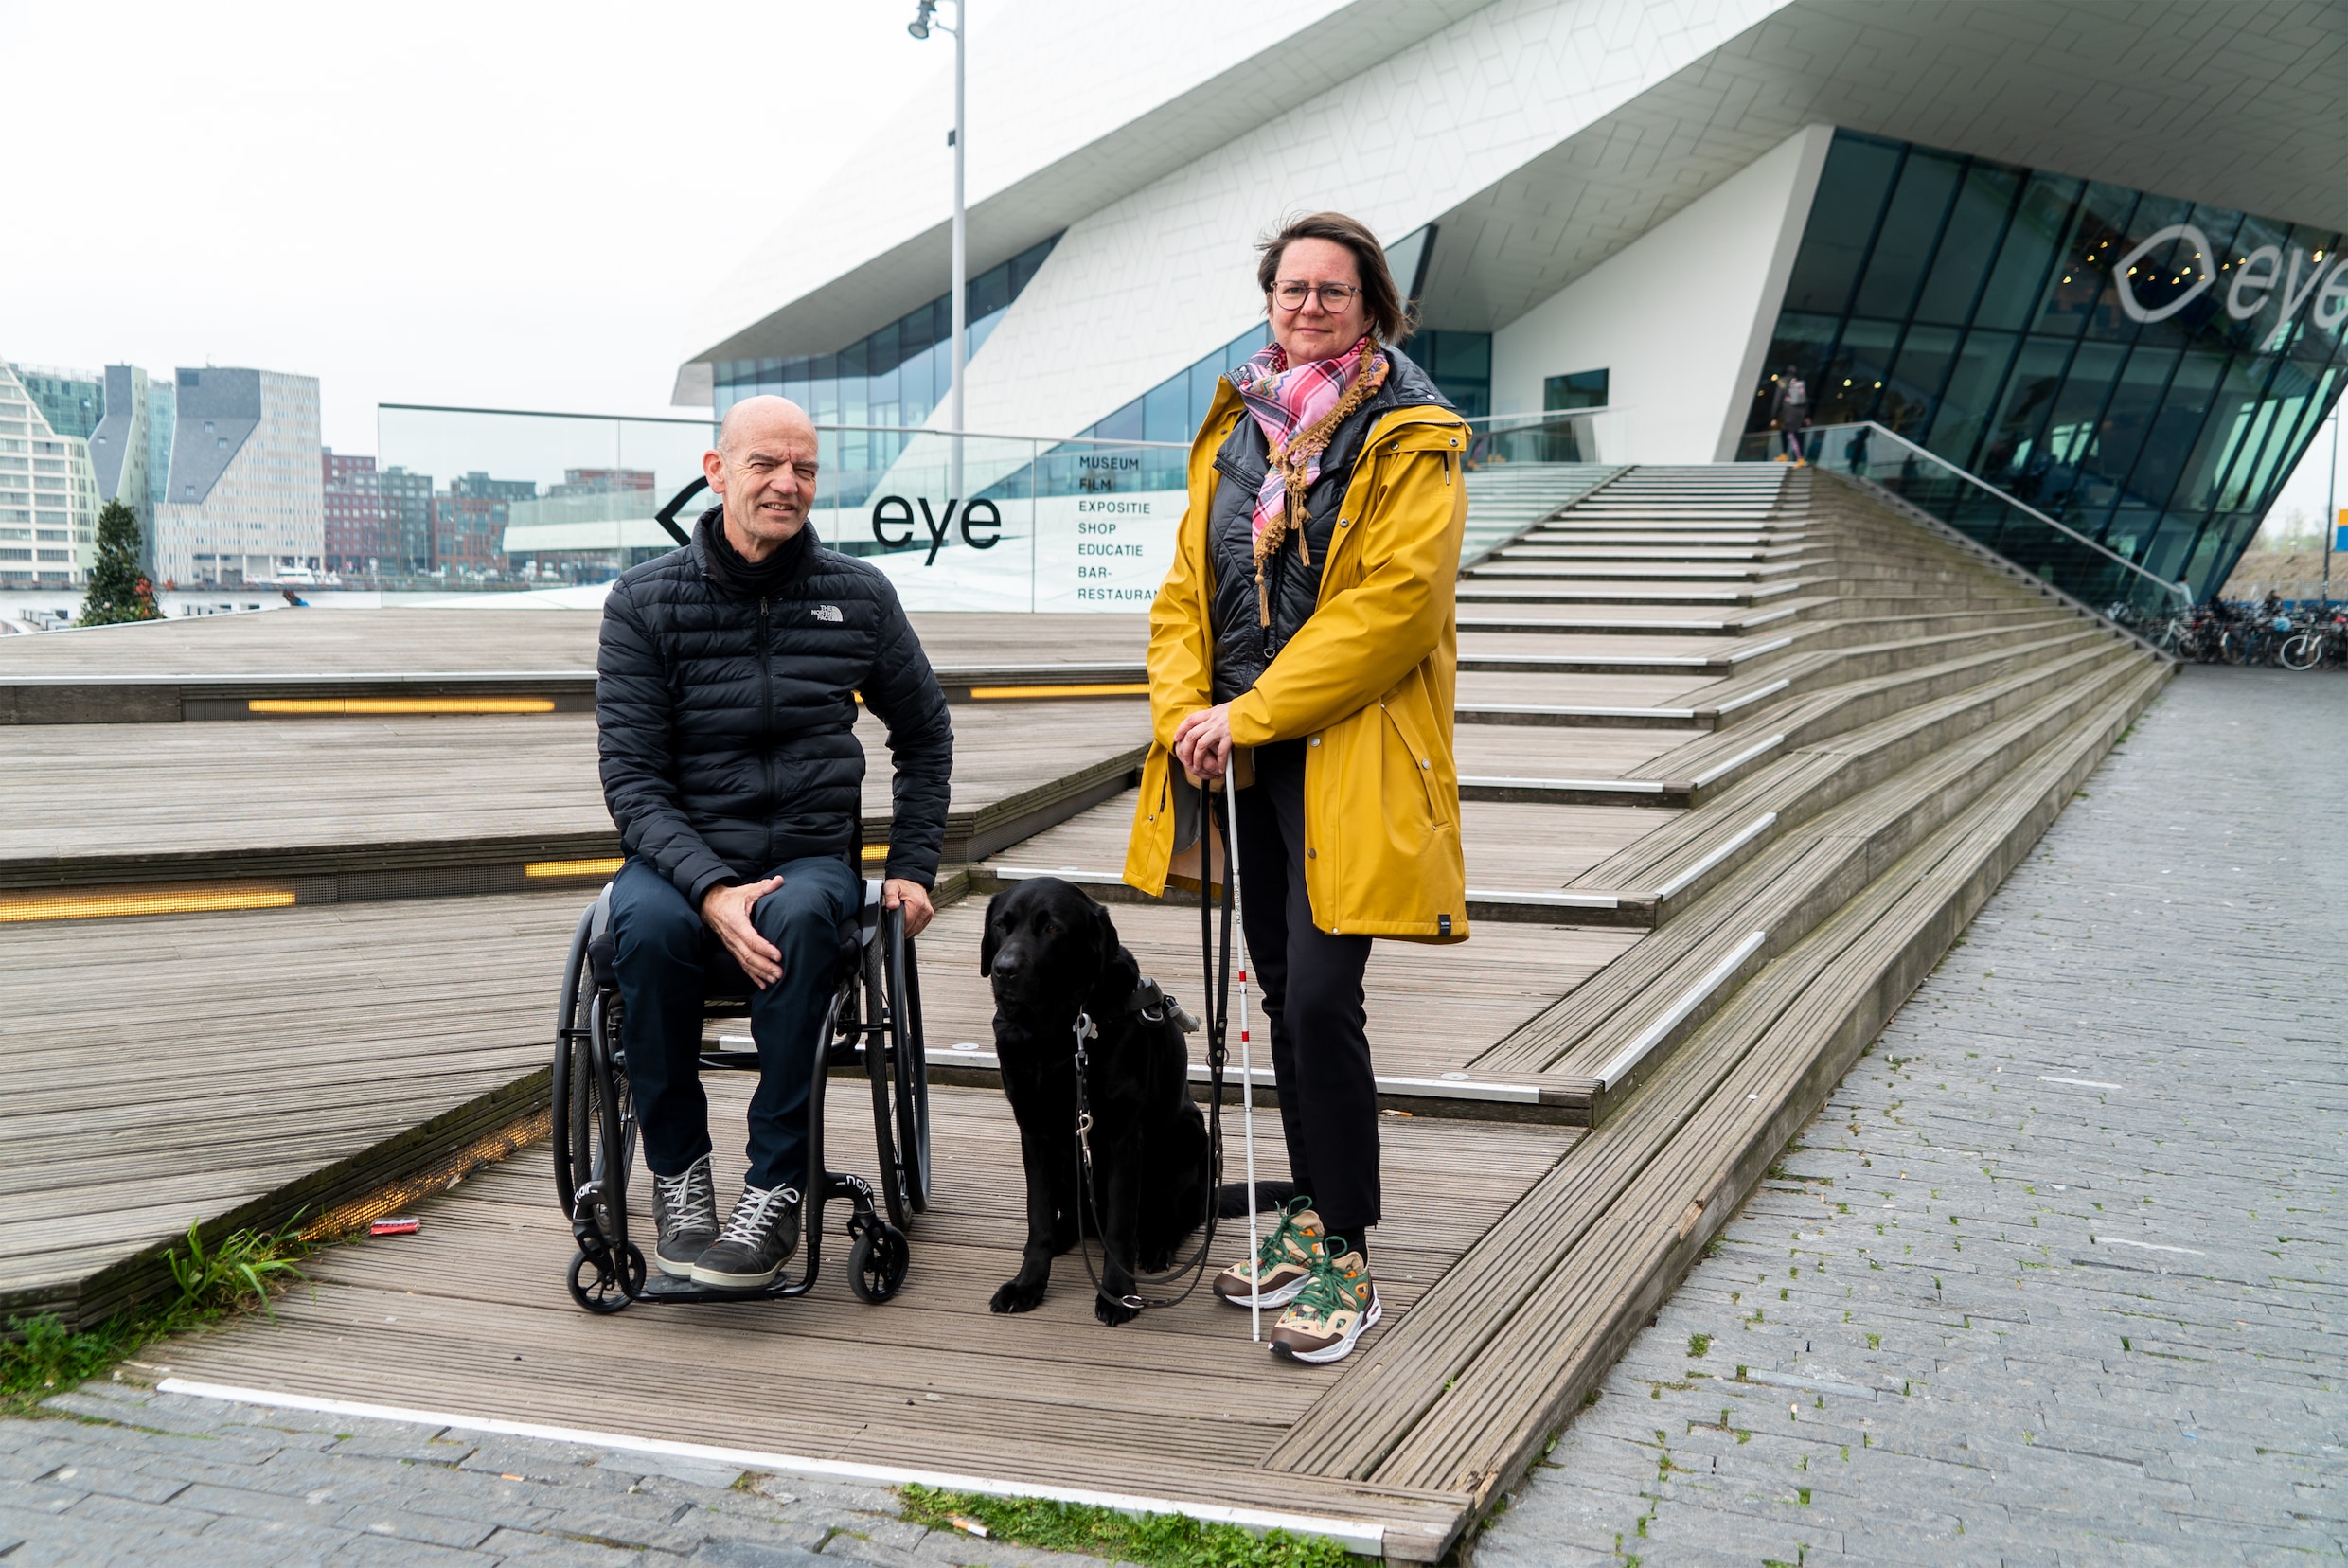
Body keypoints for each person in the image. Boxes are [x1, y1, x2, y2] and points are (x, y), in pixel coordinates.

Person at [1122, 211, 1470, 1366]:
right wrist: (1184, 711)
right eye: (1291, 288)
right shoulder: (1238, 429)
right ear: (1267, 300)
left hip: (1344, 751)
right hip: (1244, 751)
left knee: (1321, 998)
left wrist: (1250, 712)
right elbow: (1184, 592)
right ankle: (1310, 1218)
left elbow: (1390, 612)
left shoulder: (1409, 436)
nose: (1308, 305)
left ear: (1372, 306)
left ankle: (1351, 1257)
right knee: (1279, 991)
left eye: (1333, 290)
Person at [596, 396, 952, 1289]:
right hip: (679, 861)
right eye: (764, 465)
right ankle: (678, 1172)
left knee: (800, 917)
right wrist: (711, 889)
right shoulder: (642, 603)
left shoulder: (858, 595)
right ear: (716, 473)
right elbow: (632, 782)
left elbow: (925, 735)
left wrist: (910, 869)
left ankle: (776, 1187)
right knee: (640, 928)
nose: (785, 485)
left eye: (803, 469)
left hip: (807, 858)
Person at [1770, 365, 1811, 465]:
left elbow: (1777, 401)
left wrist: (1774, 417)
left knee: (1793, 434)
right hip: (1799, 412)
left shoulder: (1782, 382)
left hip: (1789, 412)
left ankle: (1799, 458)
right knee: (1784, 431)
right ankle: (1784, 454)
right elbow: (1805, 400)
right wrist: (1807, 416)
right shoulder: (1798, 383)